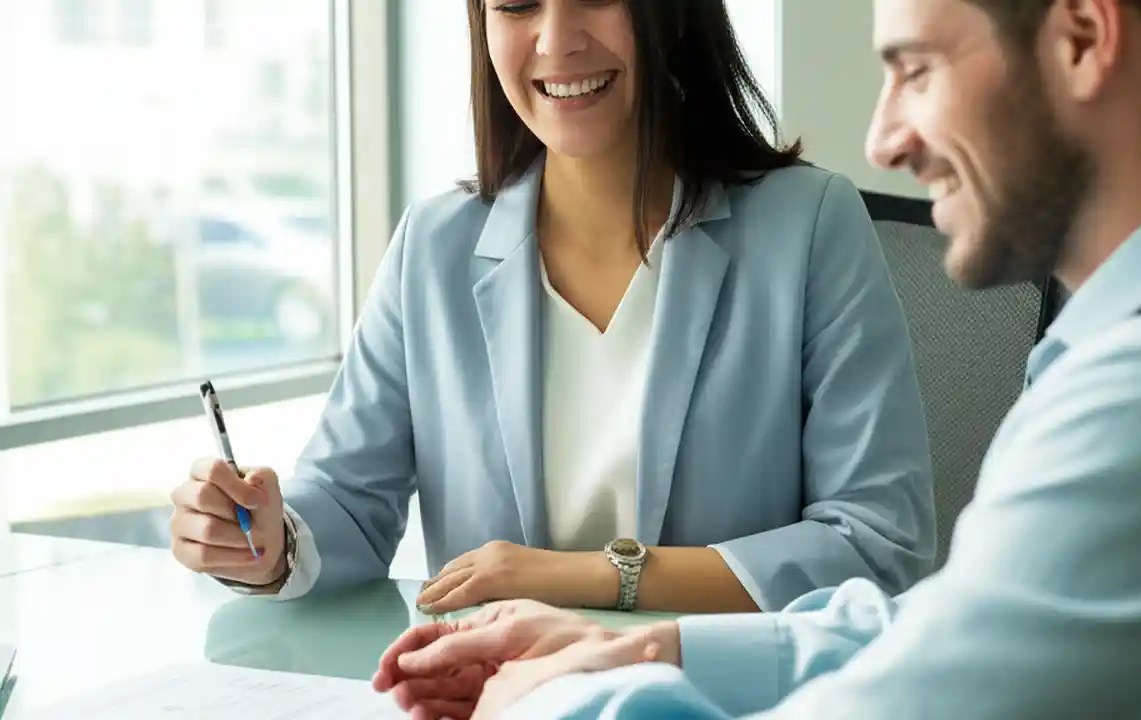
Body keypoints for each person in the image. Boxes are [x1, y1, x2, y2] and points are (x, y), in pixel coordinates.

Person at [370, 0, 1141, 717]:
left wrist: (554, 702)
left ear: (1082, 38)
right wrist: (637, 648)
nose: (886, 139)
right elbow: (937, 637)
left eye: (916, 69)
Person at [168, 0, 935, 616]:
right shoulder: (433, 246)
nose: (557, 41)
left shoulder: (807, 225)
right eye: (517, 5)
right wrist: (269, 543)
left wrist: (594, 577)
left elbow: (876, 544)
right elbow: (345, 501)